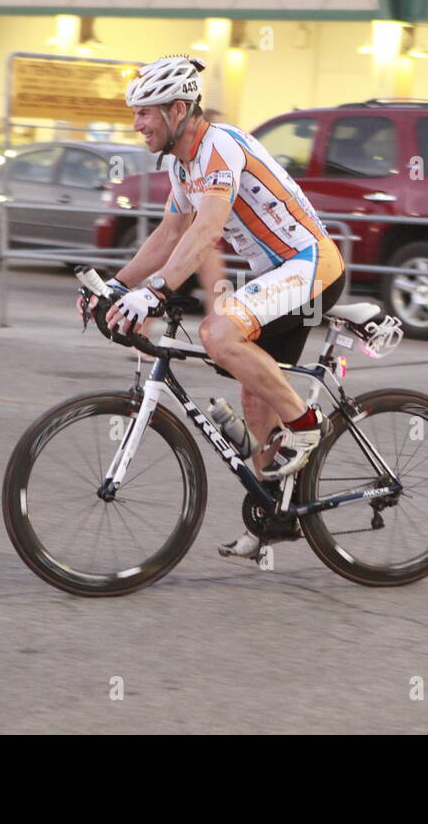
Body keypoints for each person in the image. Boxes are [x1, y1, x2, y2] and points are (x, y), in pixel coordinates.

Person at [80, 54, 345, 559]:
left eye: (145, 113)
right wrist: (116, 285)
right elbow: (171, 232)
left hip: (310, 263)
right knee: (252, 399)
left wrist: (155, 291)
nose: (136, 125)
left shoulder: (218, 146)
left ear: (178, 109)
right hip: (278, 276)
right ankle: (278, 512)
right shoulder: (184, 165)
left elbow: (208, 227)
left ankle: (308, 426)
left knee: (217, 334)